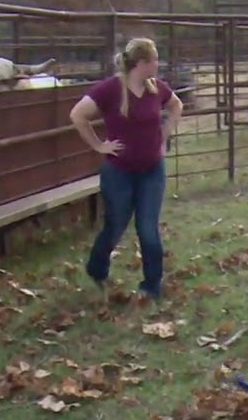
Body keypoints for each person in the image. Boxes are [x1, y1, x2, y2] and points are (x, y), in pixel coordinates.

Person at [69, 37, 183, 300]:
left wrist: (164, 134)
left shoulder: (157, 88)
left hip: (152, 169)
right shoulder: (111, 89)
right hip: (119, 172)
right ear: (141, 63)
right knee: (116, 223)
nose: (158, 64)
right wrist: (99, 146)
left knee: (148, 226)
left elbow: (177, 105)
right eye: (154, 59)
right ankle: (97, 268)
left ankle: (151, 286)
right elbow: (78, 115)